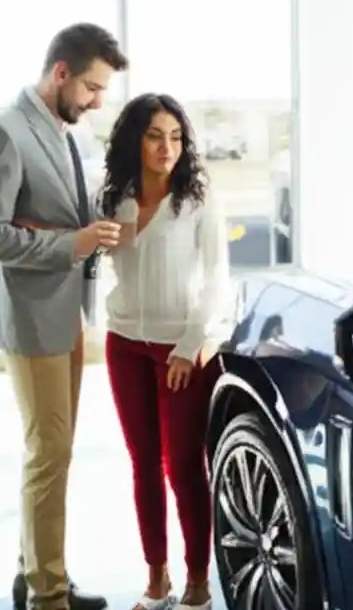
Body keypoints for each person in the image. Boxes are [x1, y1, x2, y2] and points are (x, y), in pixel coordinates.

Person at [0, 22, 127, 610]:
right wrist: (69, 245)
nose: (97, 100)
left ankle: (32, 574)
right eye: (91, 86)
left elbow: (59, 218)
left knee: (53, 451)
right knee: (49, 452)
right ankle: (48, 598)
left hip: (65, 315)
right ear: (61, 73)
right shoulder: (4, 133)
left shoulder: (61, 132)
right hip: (31, 320)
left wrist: (93, 229)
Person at [98, 92, 230, 610]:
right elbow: (100, 261)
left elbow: (218, 278)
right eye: (155, 135)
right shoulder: (116, 197)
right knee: (143, 464)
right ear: (136, 139)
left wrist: (191, 344)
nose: (166, 147)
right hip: (124, 343)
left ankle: (199, 582)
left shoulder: (196, 200)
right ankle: (157, 580)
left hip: (182, 349)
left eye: (175, 136)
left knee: (183, 464)